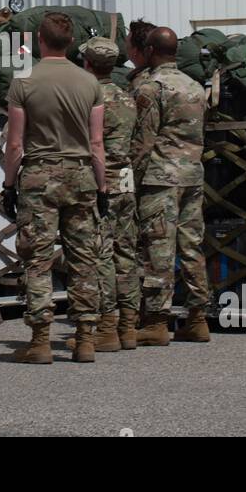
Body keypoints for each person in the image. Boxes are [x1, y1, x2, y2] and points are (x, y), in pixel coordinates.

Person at [2, 12, 108, 364]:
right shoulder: (90, 82)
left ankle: (41, 340)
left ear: (39, 40)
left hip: (39, 177)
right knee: (83, 259)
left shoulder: (24, 81)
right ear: (72, 42)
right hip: (81, 176)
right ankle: (85, 339)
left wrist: (8, 184)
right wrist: (103, 185)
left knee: (37, 259)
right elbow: (96, 144)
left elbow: (15, 144)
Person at [129, 27, 211, 346]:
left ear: (150, 50)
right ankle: (198, 318)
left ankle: (156, 321)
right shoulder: (194, 87)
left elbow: (143, 142)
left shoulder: (151, 88)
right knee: (192, 245)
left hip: (160, 177)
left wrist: (131, 183)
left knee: (157, 249)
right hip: (193, 174)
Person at [77, 37, 139, 351]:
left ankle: (107, 325)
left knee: (101, 253)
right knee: (126, 252)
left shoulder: (91, 97)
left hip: (103, 180)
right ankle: (129, 325)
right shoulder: (128, 97)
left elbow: (90, 144)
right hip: (127, 179)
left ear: (87, 63)